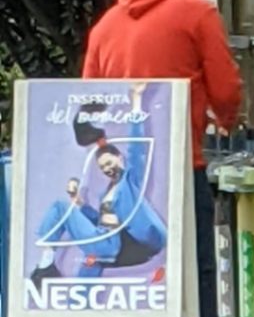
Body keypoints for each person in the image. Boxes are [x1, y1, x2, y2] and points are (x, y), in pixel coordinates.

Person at [83, 0, 241, 317]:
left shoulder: (107, 23)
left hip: (125, 170)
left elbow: (88, 95)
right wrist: (227, 119)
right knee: (198, 270)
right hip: (179, 160)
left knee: (140, 270)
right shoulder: (195, 11)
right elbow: (225, 84)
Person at [34, 94, 166, 283]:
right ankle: (77, 298)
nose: (107, 169)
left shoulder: (130, 182)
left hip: (116, 244)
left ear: (120, 158)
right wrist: (79, 203)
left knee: (60, 207)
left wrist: (136, 101)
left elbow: (137, 148)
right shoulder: (108, 192)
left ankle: (45, 265)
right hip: (107, 243)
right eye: (103, 167)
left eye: (109, 163)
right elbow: (99, 222)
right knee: (88, 268)